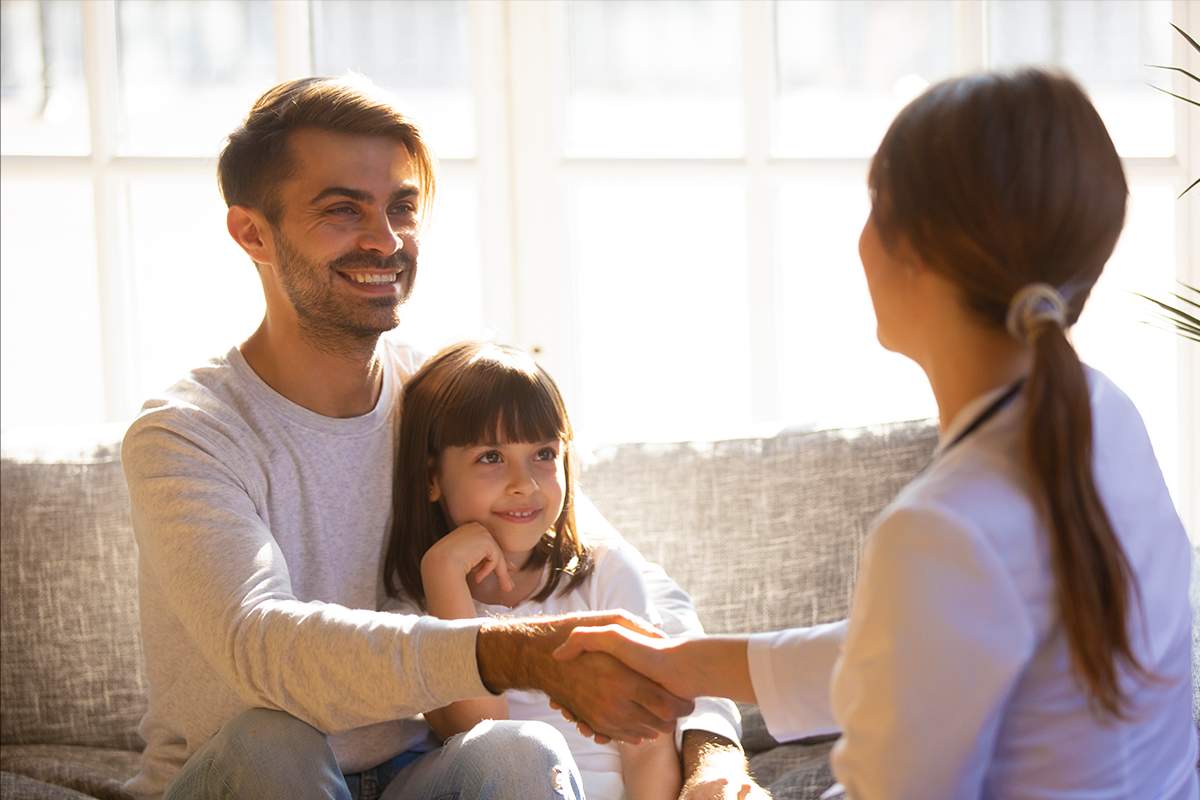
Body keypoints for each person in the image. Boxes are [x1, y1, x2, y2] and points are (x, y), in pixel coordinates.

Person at [554, 68, 1198, 799]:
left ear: (915, 250)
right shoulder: (1105, 414)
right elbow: (922, 651)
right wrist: (683, 662)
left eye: (874, 206)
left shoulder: (941, 531)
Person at [121, 74, 762, 800]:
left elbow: (638, 592)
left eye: (402, 208)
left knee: (518, 749)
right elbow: (264, 647)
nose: (385, 241)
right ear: (252, 233)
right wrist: (515, 654)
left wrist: (713, 758)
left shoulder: (440, 396)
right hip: (250, 776)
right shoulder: (187, 434)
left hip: (416, 777)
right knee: (274, 739)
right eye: (342, 210)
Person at [382, 340, 682, 800]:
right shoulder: (416, 601)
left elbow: (650, 750)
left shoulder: (605, 574)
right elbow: (479, 733)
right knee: (516, 747)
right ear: (432, 478)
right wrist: (443, 572)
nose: (524, 484)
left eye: (543, 454)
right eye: (490, 457)